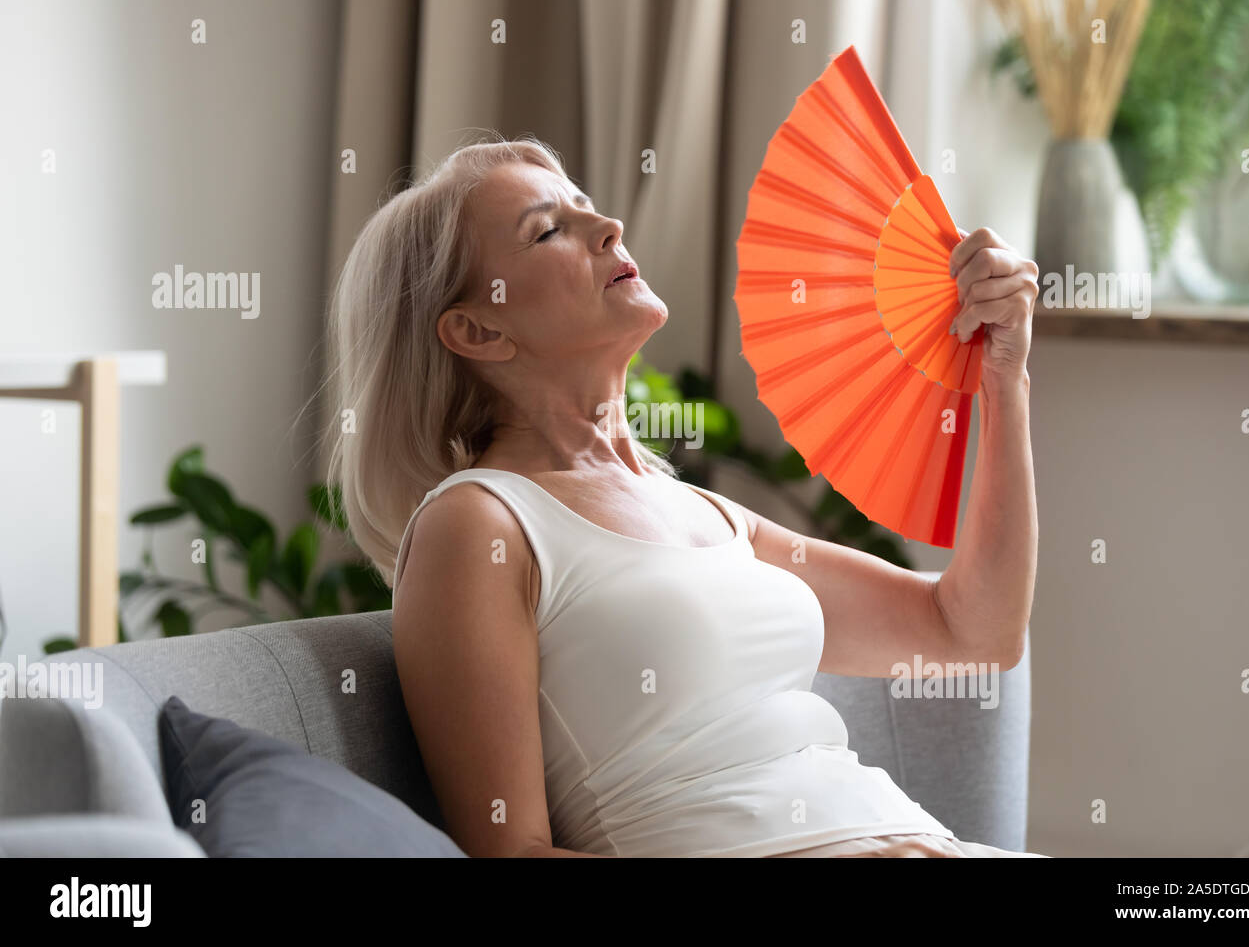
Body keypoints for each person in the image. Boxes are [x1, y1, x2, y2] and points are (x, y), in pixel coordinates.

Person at [324, 134, 1043, 858]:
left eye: (588, 209)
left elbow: (970, 633)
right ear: (478, 329)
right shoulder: (480, 523)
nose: (608, 229)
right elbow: (512, 855)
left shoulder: (703, 513)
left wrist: (1004, 379)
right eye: (549, 231)